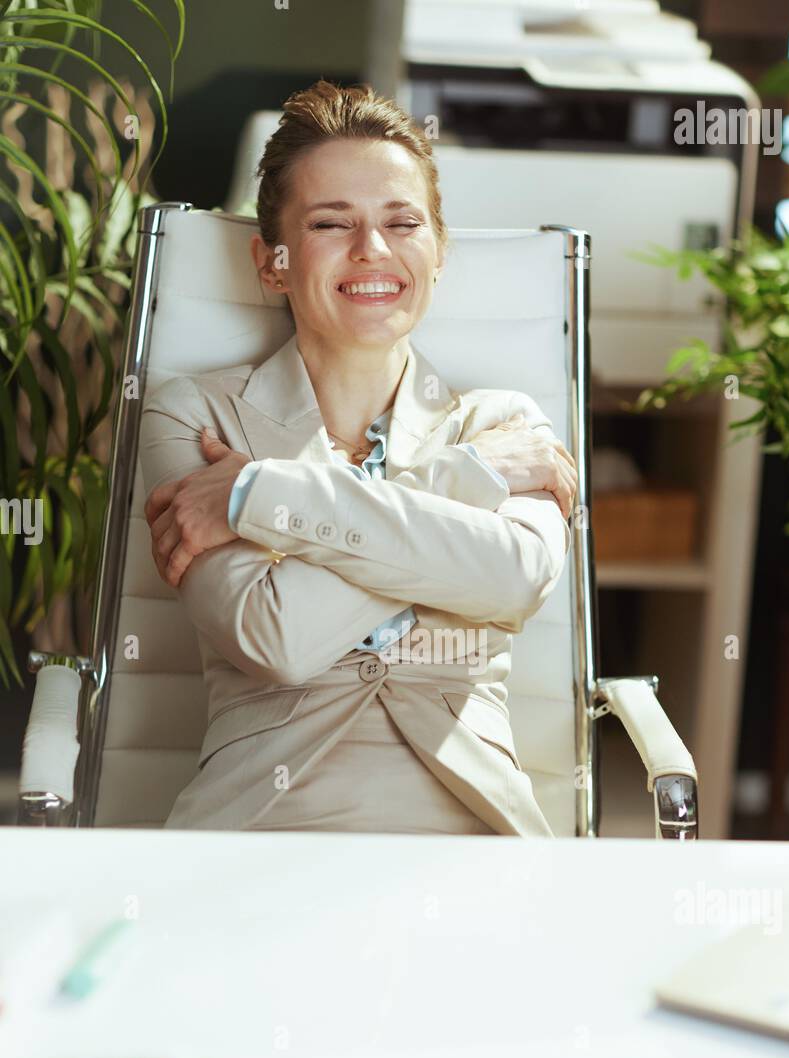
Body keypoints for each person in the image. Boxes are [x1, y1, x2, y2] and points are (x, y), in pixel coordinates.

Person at [140, 80, 577, 835]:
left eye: (402, 222)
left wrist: (261, 497)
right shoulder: (192, 414)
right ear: (272, 262)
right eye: (331, 222)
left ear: (438, 252)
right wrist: (461, 486)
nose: (372, 249)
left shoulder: (505, 423)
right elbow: (278, 638)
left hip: (470, 832)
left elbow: (514, 577)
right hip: (262, 828)